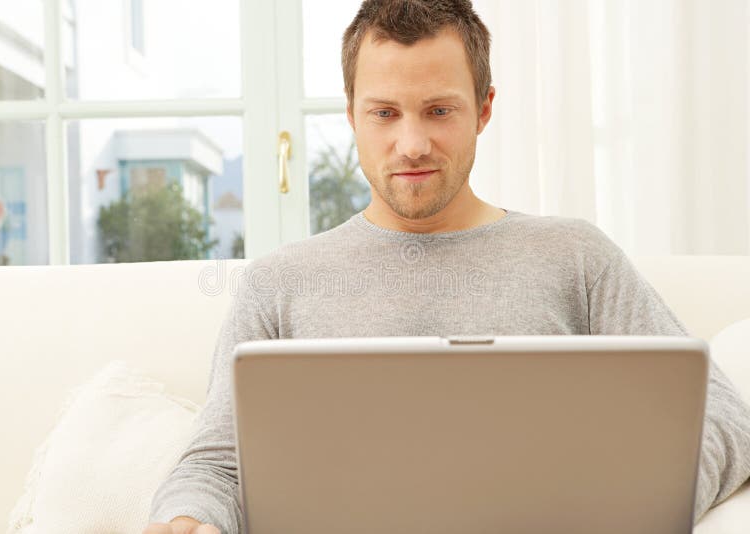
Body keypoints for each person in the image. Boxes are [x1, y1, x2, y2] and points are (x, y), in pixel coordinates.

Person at [143, 1, 750, 533]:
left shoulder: (576, 256)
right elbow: (216, 462)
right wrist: (192, 520)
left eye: (438, 110)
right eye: (385, 113)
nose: (411, 144)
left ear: (484, 109)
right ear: (351, 113)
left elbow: (721, 417)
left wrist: (630, 511)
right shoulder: (279, 283)